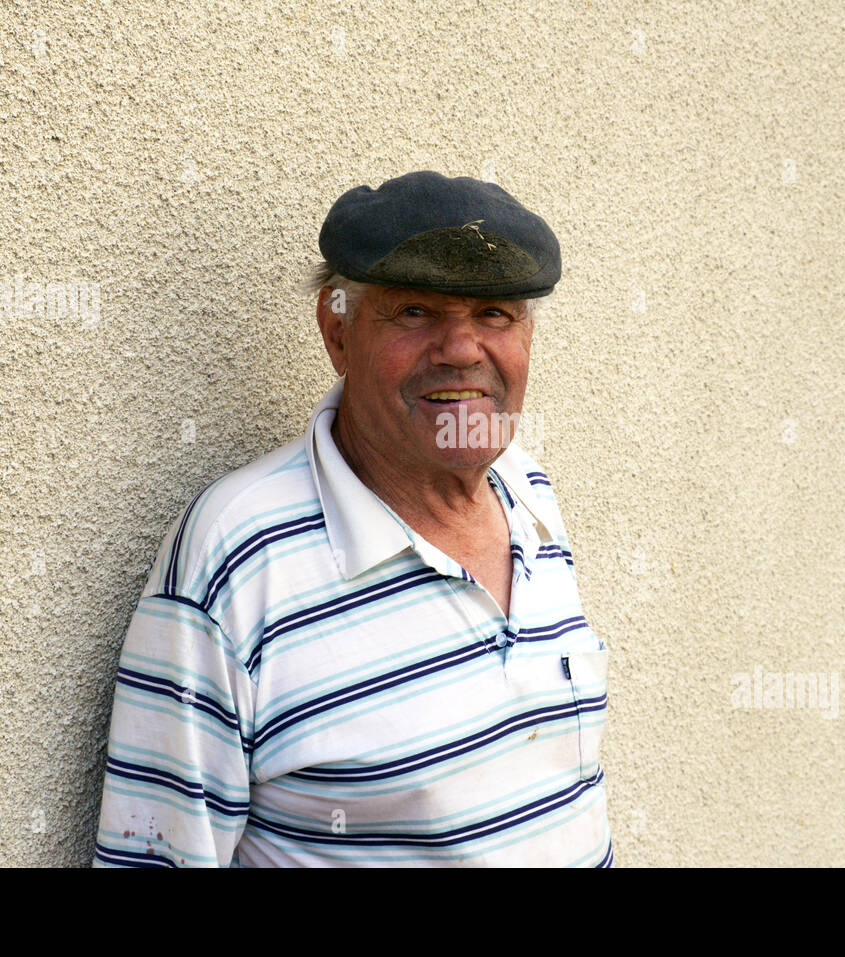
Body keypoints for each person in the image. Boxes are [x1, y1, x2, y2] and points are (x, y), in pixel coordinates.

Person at [92, 170, 611, 867]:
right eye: (415, 313)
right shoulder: (236, 560)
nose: (462, 350)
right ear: (337, 332)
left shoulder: (529, 493)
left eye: (494, 314)